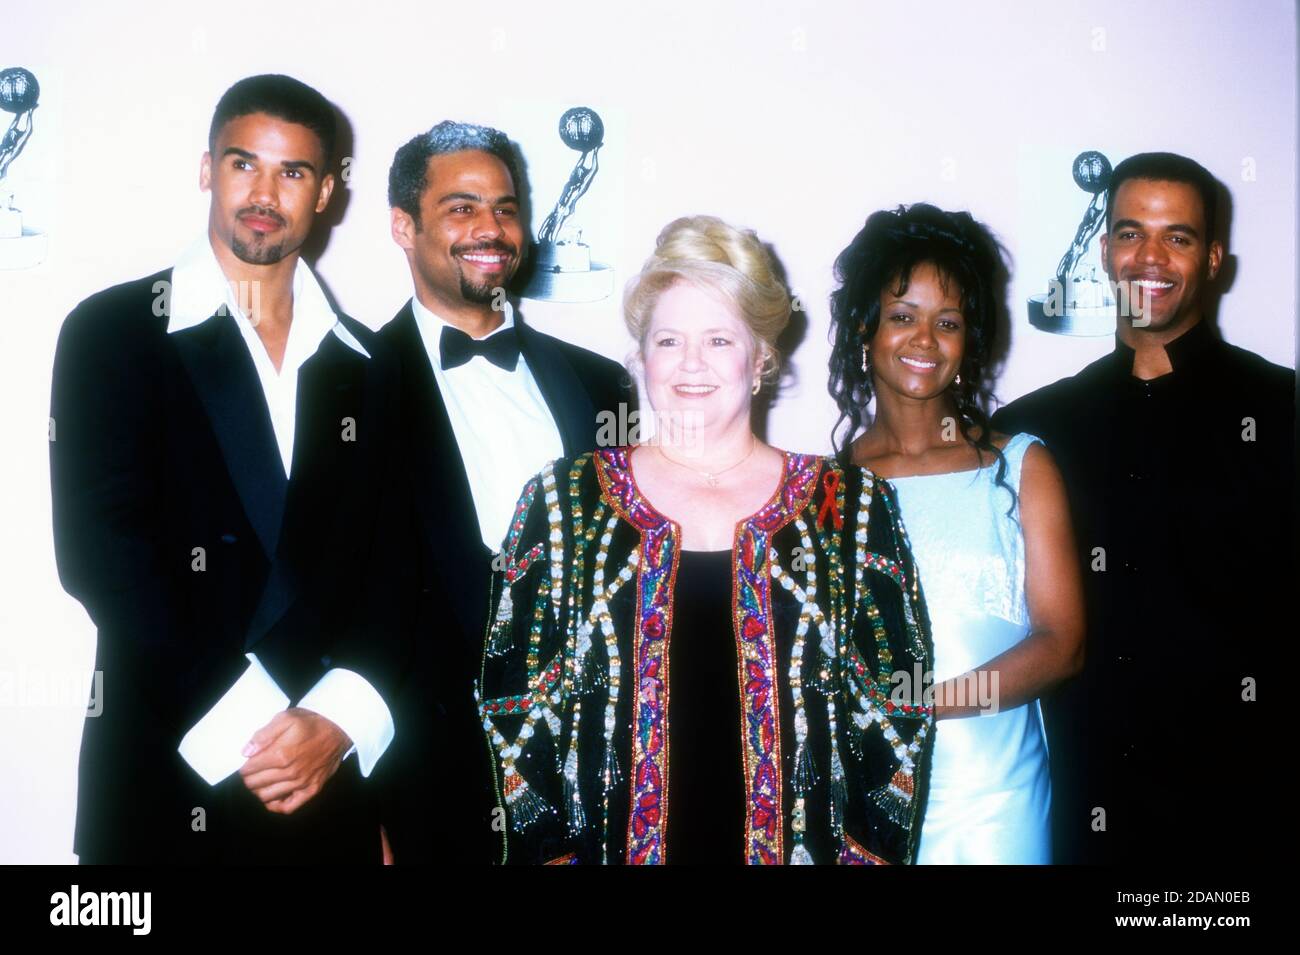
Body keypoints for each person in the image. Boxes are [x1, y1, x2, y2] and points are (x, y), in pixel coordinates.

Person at [479, 215, 934, 864]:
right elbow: (512, 712)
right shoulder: (562, 503)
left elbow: (901, 710)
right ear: (640, 358)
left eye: (719, 339)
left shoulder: (851, 507)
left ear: (760, 359)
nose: (690, 364)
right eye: (669, 340)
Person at [49, 75, 415, 863]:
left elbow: (398, 569)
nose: (264, 192)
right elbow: (103, 558)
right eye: (244, 163)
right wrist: (263, 737)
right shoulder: (114, 333)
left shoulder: (374, 366)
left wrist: (341, 720)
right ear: (207, 168)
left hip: (331, 785)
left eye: (293, 172)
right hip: (165, 777)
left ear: (325, 195)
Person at [992, 152, 1294, 865]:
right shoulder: (1036, 430)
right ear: (1104, 251)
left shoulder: (1282, 411)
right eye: (1131, 234)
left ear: (1214, 257)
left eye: (1178, 237)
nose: (1150, 257)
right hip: (1086, 816)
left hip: (1250, 822)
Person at [375, 121, 632, 863]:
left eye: (507, 207)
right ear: (404, 225)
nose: (491, 228)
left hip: (595, 792)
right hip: (423, 794)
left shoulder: (601, 384)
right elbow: (326, 615)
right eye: (461, 207)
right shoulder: (346, 384)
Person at [828, 204, 1085, 864]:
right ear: (865, 328)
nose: (924, 340)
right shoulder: (824, 490)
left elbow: (1063, 643)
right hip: (868, 802)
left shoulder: (1023, 466)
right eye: (902, 316)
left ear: (969, 340)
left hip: (997, 805)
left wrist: (928, 705)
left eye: (947, 322)